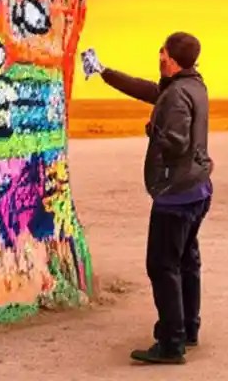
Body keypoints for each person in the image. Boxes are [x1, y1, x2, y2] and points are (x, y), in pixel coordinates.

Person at [82, 32, 212, 365]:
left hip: (176, 195)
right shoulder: (192, 85)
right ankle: (188, 328)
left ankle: (171, 343)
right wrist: (104, 72)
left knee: (161, 265)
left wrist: (153, 132)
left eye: (163, 51)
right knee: (186, 260)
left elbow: (176, 142)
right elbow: (148, 90)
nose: (159, 54)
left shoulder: (176, 95)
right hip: (197, 189)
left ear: (172, 59)